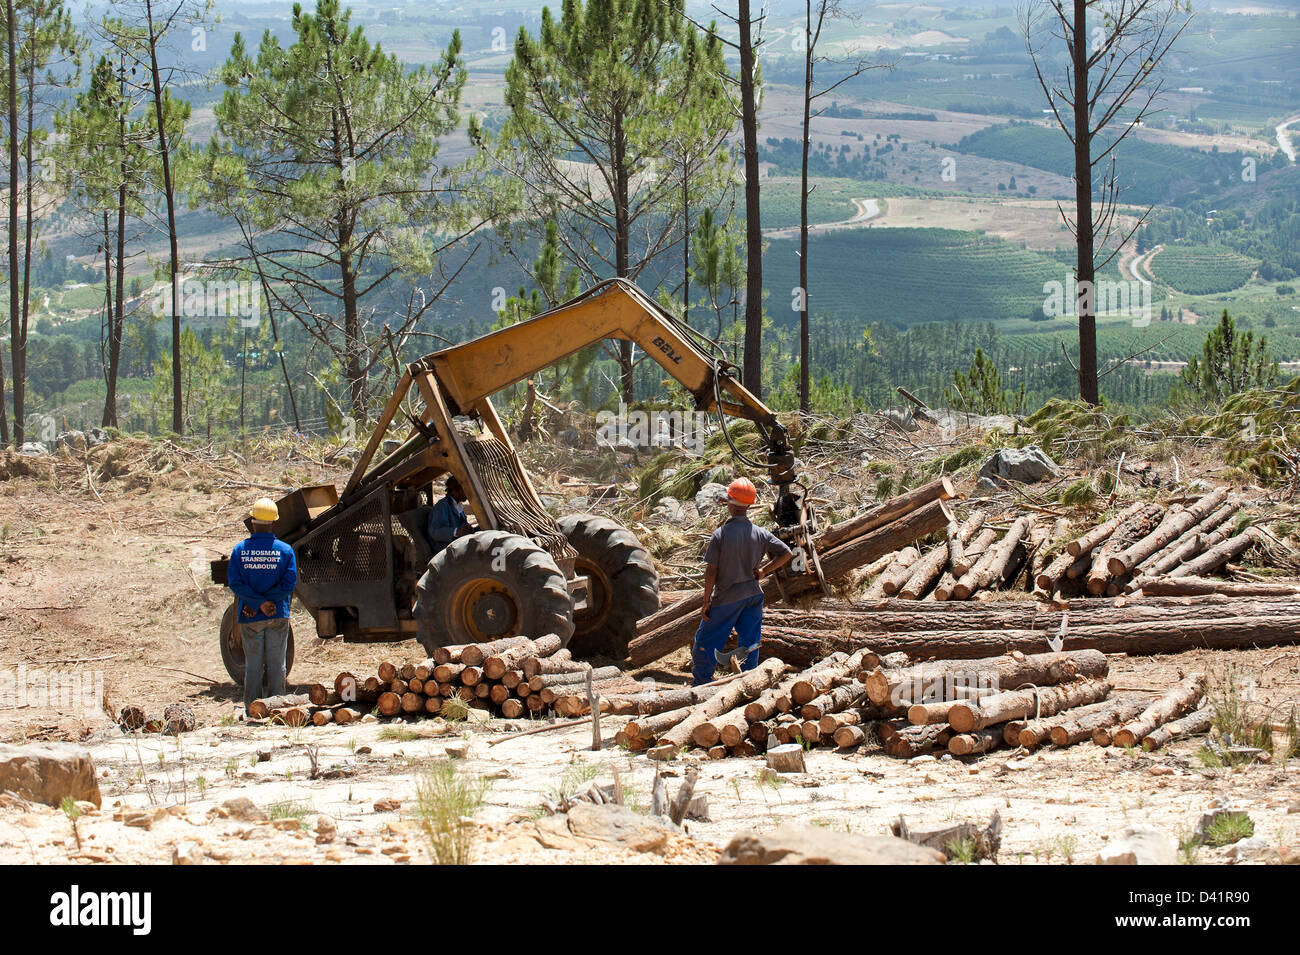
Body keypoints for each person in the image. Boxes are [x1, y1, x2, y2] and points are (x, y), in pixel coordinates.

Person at [691, 477, 793, 686]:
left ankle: (701, 686)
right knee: (750, 643)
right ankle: (750, 685)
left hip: (727, 597)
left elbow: (712, 571)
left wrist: (706, 601)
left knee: (705, 642)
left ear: (730, 503)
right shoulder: (761, 533)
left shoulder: (720, 535)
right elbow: (787, 553)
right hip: (753, 596)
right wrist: (764, 571)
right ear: (749, 505)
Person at [226, 498, 298, 716]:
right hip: (277, 614)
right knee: (278, 665)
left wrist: (257, 603)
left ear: (253, 521)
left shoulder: (240, 551)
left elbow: (236, 583)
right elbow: (289, 583)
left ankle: (253, 709)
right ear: (274, 522)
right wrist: (270, 602)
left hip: (251, 616)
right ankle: (278, 710)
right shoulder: (285, 551)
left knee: (254, 665)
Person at [427, 475, 472, 555]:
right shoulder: (442, 506)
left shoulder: (458, 506)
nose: (467, 492)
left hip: (457, 545)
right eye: (464, 490)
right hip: (443, 550)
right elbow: (435, 532)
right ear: (454, 491)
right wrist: (456, 531)